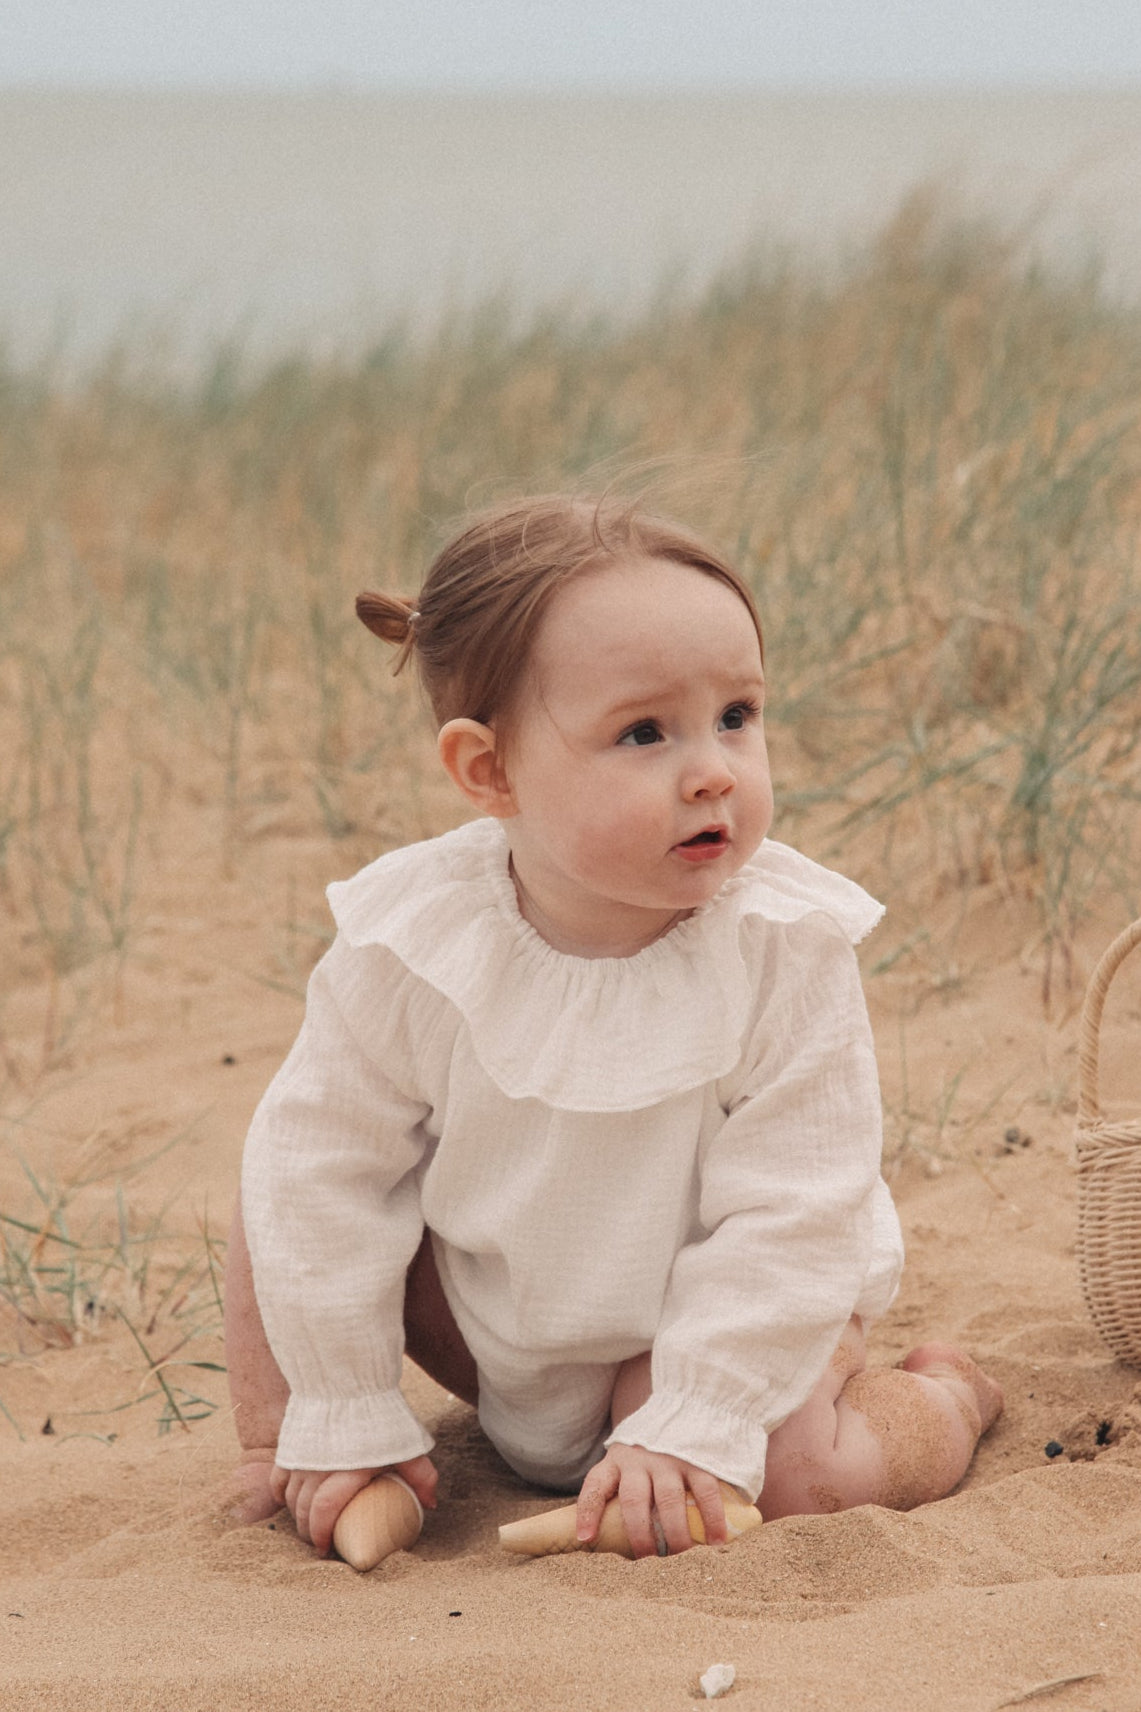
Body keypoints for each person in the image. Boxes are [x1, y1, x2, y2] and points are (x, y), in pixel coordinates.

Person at [223, 495, 1002, 1561]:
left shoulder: (780, 947)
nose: (714, 767)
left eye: (737, 714)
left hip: (735, 1301)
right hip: (498, 1312)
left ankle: (944, 1403)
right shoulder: (410, 943)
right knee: (289, 1160)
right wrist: (340, 1398)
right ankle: (293, 1447)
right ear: (488, 771)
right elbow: (320, 1170)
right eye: (645, 732)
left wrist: (699, 1411)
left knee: (798, 1474)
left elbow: (796, 1207)